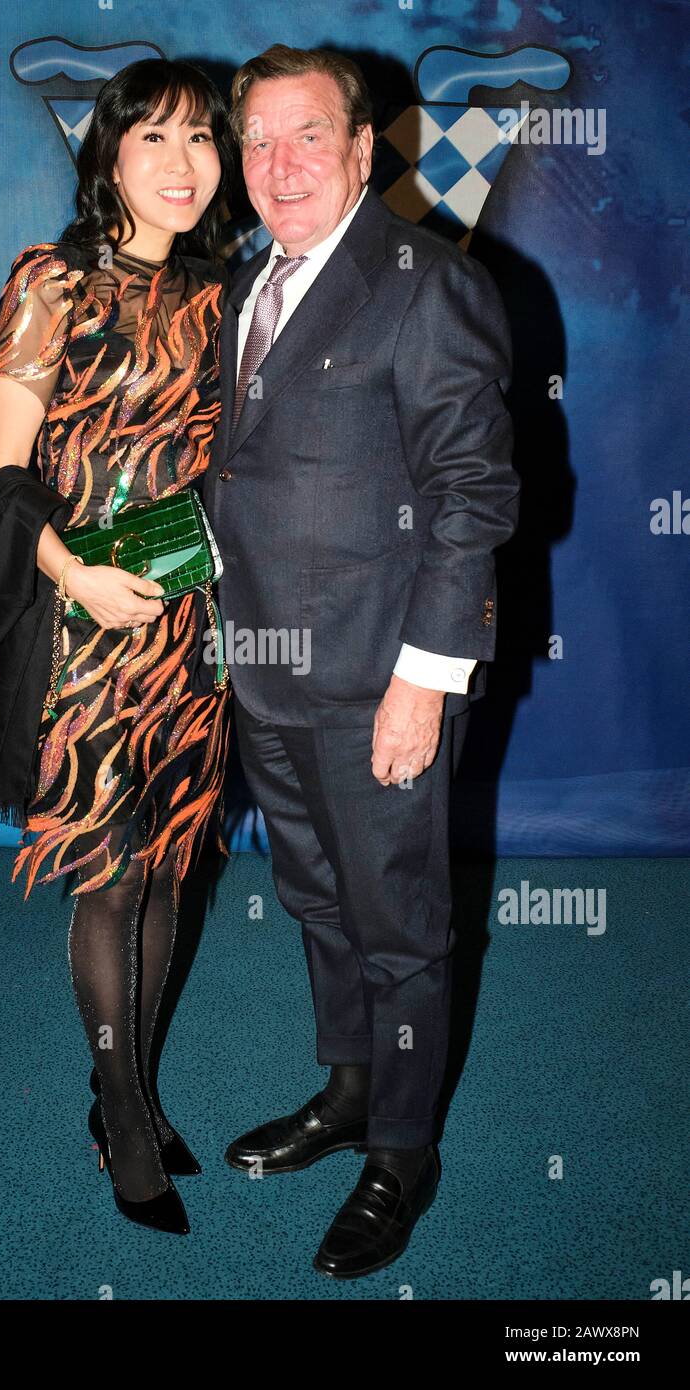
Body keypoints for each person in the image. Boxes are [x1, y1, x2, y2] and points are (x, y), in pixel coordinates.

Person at [202, 45, 520, 1279]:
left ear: (360, 148)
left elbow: (469, 495)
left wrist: (419, 682)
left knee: (399, 924)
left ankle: (400, 1150)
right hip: (266, 672)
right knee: (318, 902)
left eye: (306, 137)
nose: (279, 166)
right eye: (258, 142)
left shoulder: (421, 283)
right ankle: (345, 1087)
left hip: (379, 684)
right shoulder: (248, 282)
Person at [0, 58, 237, 1236]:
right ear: (109, 158)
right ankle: (123, 1113)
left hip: (188, 630)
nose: (183, 165)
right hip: (85, 629)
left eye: (201, 141)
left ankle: (122, 1083)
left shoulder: (223, 294)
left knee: (172, 858)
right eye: (156, 141)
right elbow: (4, 475)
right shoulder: (51, 283)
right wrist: (74, 572)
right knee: (108, 873)